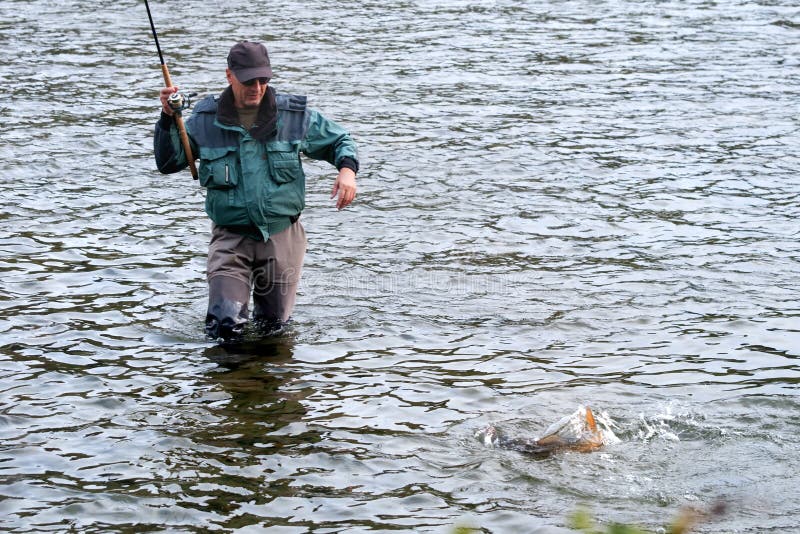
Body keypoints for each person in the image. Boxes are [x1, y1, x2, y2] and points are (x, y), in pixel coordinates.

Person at [154, 41, 359, 342]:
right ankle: (231, 380)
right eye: (249, 80)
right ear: (229, 76)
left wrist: (347, 171)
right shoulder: (203, 120)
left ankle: (264, 383)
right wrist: (168, 118)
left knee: (273, 330)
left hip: (283, 236)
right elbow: (168, 162)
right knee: (224, 326)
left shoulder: (294, 116)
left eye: (264, 80)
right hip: (230, 238)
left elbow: (340, 141)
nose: (257, 87)